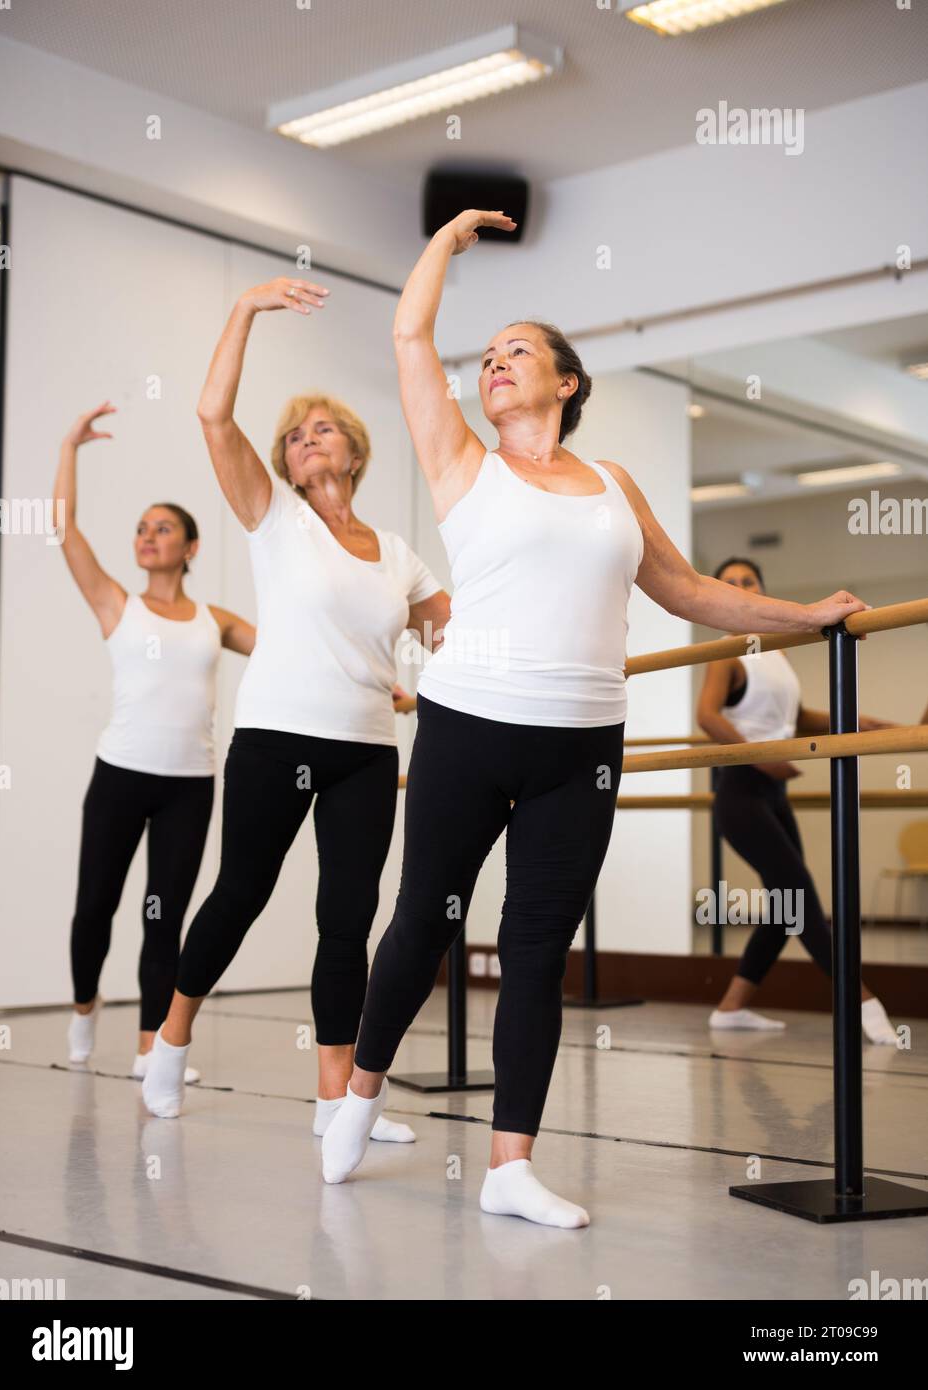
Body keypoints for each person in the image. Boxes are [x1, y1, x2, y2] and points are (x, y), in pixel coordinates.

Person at [319, 207, 873, 1228]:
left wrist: (805, 615)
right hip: (467, 726)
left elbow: (688, 588)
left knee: (537, 946)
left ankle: (509, 1167)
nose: (493, 365)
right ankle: (359, 1088)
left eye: (515, 351)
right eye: (484, 356)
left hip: (583, 746)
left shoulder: (613, 483)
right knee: (419, 924)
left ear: (565, 383)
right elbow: (408, 339)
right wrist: (442, 243)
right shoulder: (461, 462)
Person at [141, 277, 450, 1140]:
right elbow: (211, 415)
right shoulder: (274, 516)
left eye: (322, 430)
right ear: (284, 462)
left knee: (347, 918)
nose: (306, 440)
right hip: (276, 737)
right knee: (241, 890)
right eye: (293, 435)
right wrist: (242, 308)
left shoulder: (396, 553)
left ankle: (334, 1101)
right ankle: (169, 1040)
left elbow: (457, 632)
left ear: (352, 452)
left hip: (363, 747)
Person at [55, 402, 254, 1080]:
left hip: (190, 785)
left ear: (189, 547)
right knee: (95, 909)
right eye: (141, 528)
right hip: (120, 776)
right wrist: (69, 447)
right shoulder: (117, 602)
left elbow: (289, 653)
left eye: (162, 528)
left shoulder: (214, 619)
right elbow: (65, 528)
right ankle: (85, 1008)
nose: (147, 536)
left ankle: (149, 1043)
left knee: (163, 916)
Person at [697, 556, 899, 1044]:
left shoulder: (778, 651)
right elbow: (707, 716)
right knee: (802, 898)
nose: (741, 587)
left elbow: (797, 717)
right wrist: (761, 758)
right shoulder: (727, 651)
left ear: (762, 590)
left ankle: (731, 1008)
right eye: (730, 584)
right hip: (741, 793)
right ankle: (863, 1001)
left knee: (786, 903)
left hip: (773, 792)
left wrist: (871, 726)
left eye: (749, 581)